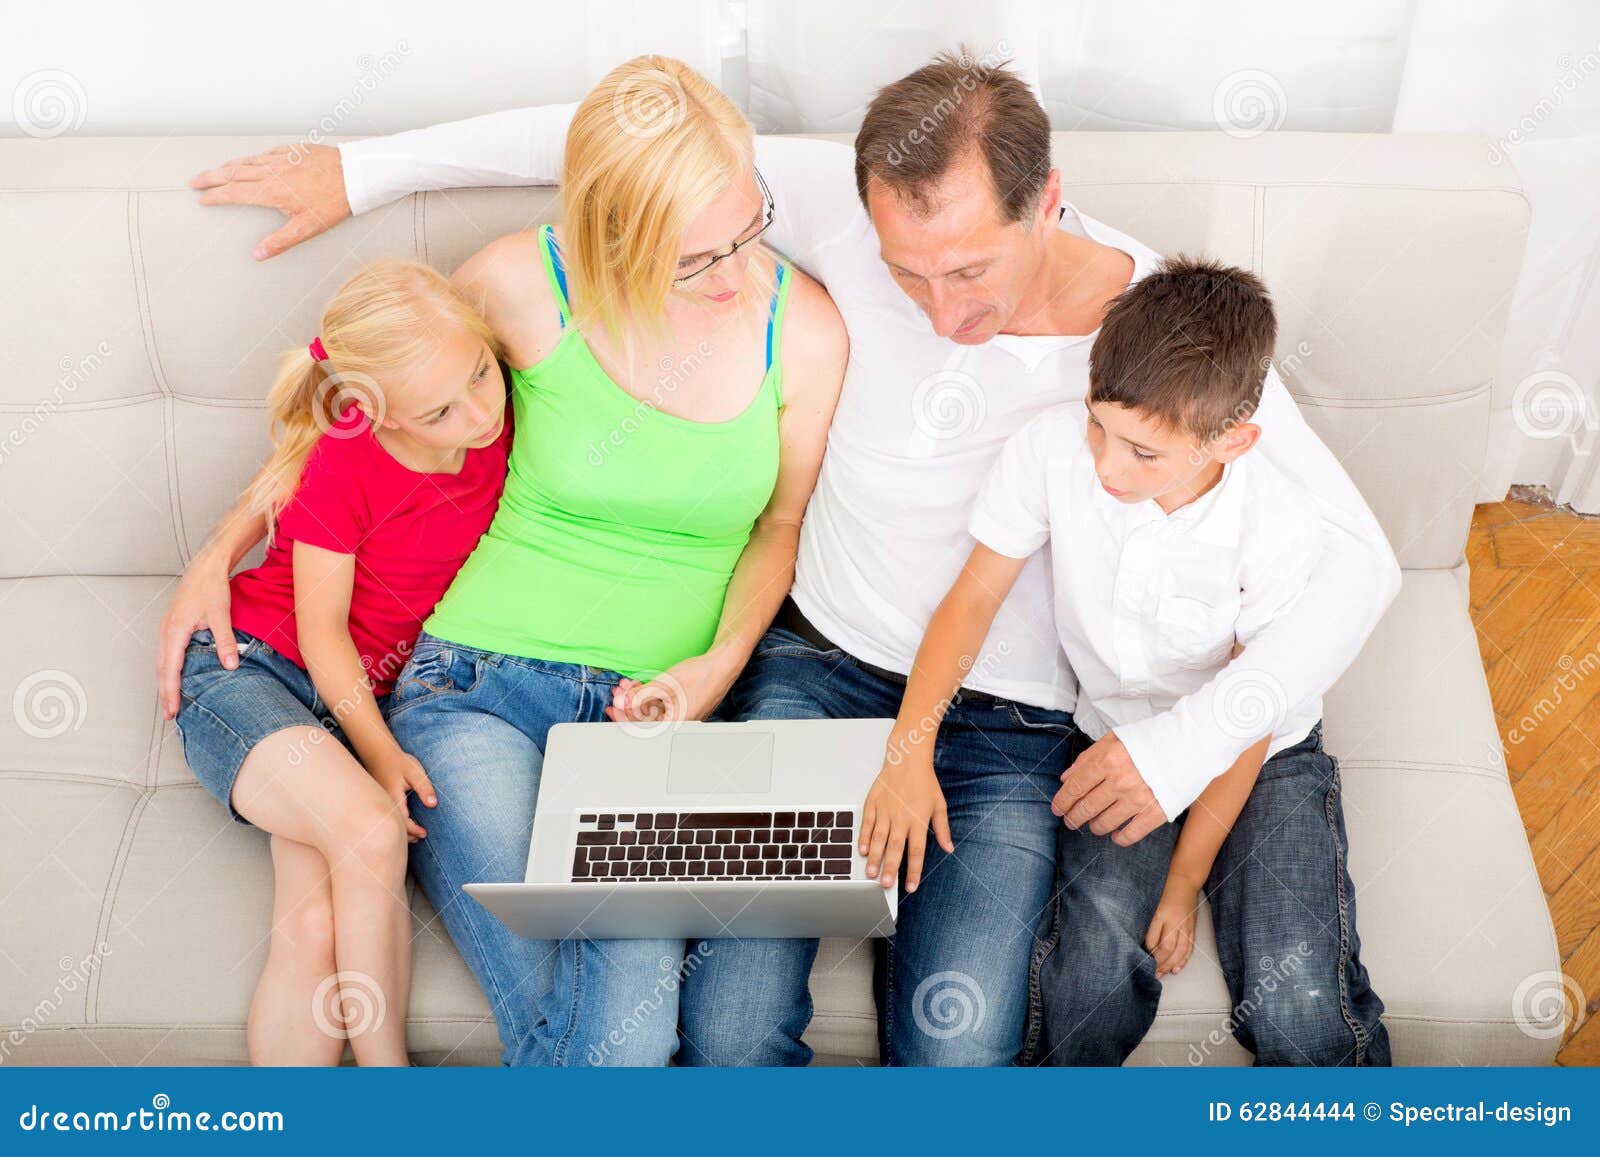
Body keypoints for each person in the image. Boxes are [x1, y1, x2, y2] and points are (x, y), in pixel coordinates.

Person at [183, 51, 1399, 1066]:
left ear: (1047, 203)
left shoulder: (1154, 343)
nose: (938, 310)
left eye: (970, 269)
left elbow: (1361, 566)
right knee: (724, 1024)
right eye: (904, 272)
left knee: (961, 1045)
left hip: (1009, 726)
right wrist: (362, 169)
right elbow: (621, 138)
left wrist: (1181, 741)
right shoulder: (793, 218)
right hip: (817, 669)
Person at [161, 55, 847, 1066]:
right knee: (612, 1041)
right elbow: (355, 390)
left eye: (750, 229)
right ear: (614, 235)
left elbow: (778, 526)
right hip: (466, 689)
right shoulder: (525, 284)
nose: (737, 272)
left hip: (647, 720)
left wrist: (712, 668)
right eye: (696, 258)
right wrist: (220, 544)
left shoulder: (804, 330)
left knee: (620, 1032)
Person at [866, 255, 1389, 1065]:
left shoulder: (1278, 525)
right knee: (1090, 981)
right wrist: (910, 748)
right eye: (1097, 426)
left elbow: (1247, 718)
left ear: (1234, 440)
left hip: (1263, 756)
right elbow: (971, 598)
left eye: (1143, 453)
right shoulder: (1049, 454)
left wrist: (1184, 879)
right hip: (1113, 739)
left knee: (1301, 1005)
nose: (1108, 465)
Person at [171, 261, 513, 1065]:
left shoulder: (492, 405)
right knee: (366, 830)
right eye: (440, 410)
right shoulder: (346, 455)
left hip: (349, 702)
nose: (481, 412)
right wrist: (381, 750)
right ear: (374, 412)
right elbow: (320, 633)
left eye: (482, 375)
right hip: (254, 672)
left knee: (315, 921)